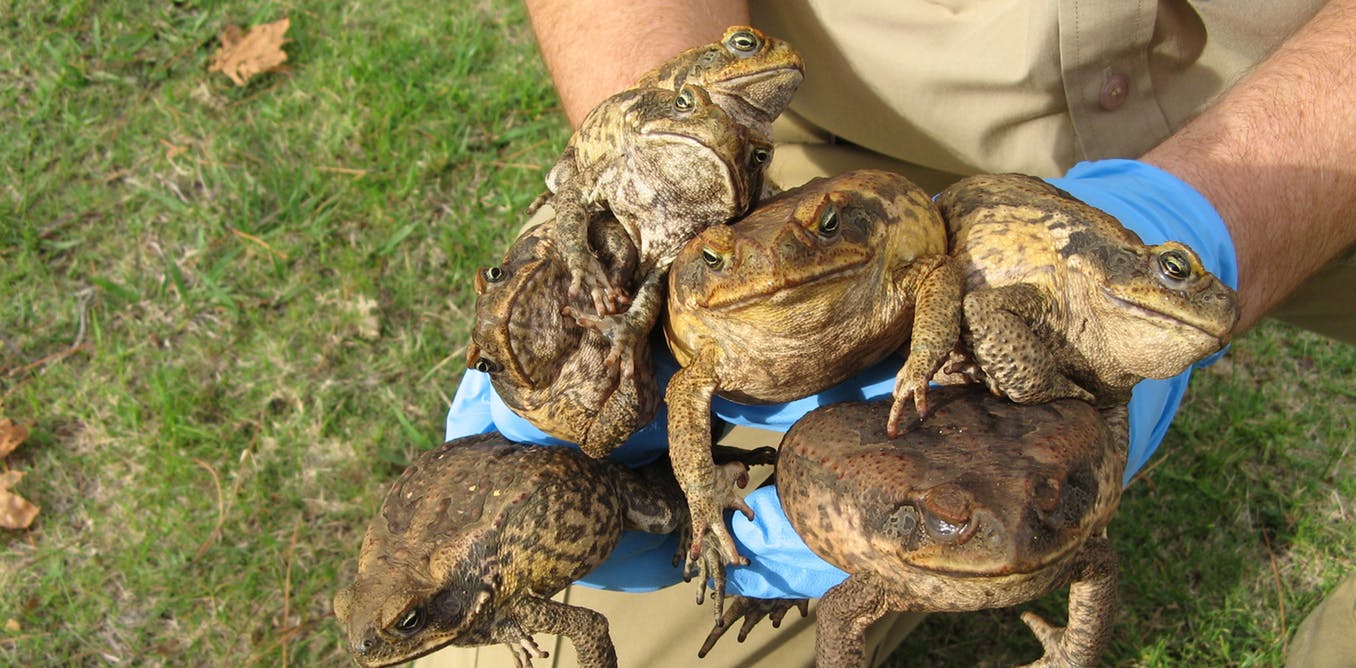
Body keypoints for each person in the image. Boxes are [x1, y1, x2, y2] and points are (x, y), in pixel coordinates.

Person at [419, 1, 1356, 666]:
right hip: (833, 174)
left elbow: (943, 275)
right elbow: (689, 371)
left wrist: (1215, 214)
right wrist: (670, 172)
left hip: (1301, 128)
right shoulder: (723, 290)